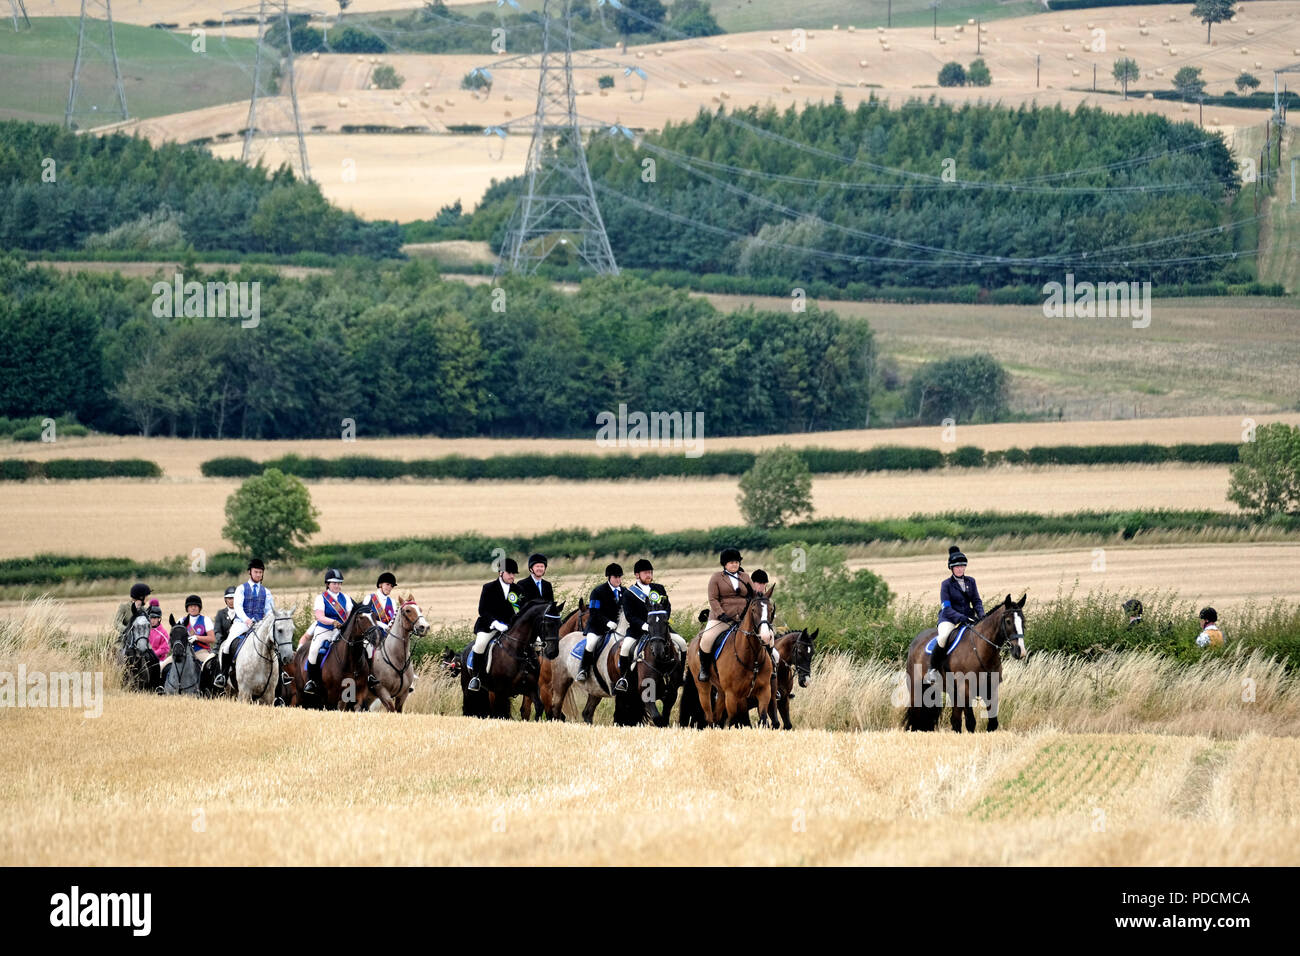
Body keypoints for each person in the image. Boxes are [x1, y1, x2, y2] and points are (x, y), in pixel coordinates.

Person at [615, 558, 686, 692]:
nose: (649, 575)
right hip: (638, 630)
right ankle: (624, 679)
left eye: (650, 572)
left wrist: (663, 621)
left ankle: (680, 676)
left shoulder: (659, 588)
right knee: (625, 648)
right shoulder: (629, 594)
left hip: (660, 629)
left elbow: (667, 606)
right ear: (637, 575)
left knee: (682, 643)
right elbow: (630, 616)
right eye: (646, 573)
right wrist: (645, 626)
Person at [926, 545, 985, 684]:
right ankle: (933, 669)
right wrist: (961, 618)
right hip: (949, 618)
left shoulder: (971, 581)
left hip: (968, 617)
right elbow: (946, 608)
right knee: (944, 637)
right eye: (957, 566)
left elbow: (976, 600)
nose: (960, 568)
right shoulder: (946, 584)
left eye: (962, 566)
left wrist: (982, 615)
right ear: (951, 568)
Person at [216, 558, 275, 690]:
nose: (258, 575)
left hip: (260, 625)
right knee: (227, 645)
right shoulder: (241, 589)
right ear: (250, 572)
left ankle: (280, 676)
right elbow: (238, 607)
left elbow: (270, 611)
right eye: (256, 572)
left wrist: (264, 622)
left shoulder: (266, 592)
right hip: (242, 623)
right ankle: (223, 675)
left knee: (275, 645)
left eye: (260, 572)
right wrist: (247, 620)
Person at [696, 548, 754, 682]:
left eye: (737, 562)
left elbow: (753, 596)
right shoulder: (716, 577)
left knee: (765, 636)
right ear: (725, 564)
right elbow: (713, 599)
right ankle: (704, 669)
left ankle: (769, 669)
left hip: (744, 618)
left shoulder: (745, 577)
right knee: (706, 639)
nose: (735, 564)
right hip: (722, 618)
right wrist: (721, 614)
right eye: (731, 562)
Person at [468, 558, 522, 692]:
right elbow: (483, 610)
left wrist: (514, 624)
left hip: (510, 628)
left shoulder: (517, 590)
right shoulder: (489, 588)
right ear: (500, 573)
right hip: (489, 626)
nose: (512, 576)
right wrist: (495, 623)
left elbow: (519, 610)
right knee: (480, 644)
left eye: (514, 574)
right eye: (509, 573)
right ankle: (476, 677)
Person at [303, 569, 352, 697]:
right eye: (334, 583)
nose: (337, 586)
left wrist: (345, 625)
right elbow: (320, 616)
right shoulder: (321, 598)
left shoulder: (345, 598)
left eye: (339, 583)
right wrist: (333, 622)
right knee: (314, 650)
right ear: (328, 584)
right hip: (324, 630)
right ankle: (311, 680)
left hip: (341, 630)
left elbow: (349, 615)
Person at [578, 563, 625, 682]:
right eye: (616, 577)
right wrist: (607, 622)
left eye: (620, 577)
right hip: (597, 627)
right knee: (591, 643)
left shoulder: (625, 592)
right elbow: (594, 612)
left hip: (618, 628)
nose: (618, 580)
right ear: (609, 577)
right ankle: (583, 669)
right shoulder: (598, 591)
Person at [748, 569, 782, 695]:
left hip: (763, 630)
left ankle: (773, 682)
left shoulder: (767, 600)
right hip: (747, 631)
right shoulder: (749, 595)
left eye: (764, 584)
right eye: (759, 583)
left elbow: (770, 618)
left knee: (776, 655)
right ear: (753, 583)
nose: (762, 586)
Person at [178, 595, 217, 664]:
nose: (193, 608)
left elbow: (212, 639)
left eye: (195, 606)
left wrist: (197, 637)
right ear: (187, 608)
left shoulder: (206, 620)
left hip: (201, 651)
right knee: (162, 666)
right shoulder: (181, 621)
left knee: (211, 663)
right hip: (183, 653)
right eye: (190, 606)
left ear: (199, 608)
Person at [212, 586, 238, 651]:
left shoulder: (242, 613)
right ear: (225, 600)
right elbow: (217, 631)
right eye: (229, 598)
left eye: (234, 598)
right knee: (210, 659)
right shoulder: (220, 613)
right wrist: (221, 639)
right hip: (222, 643)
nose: (232, 601)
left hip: (239, 644)